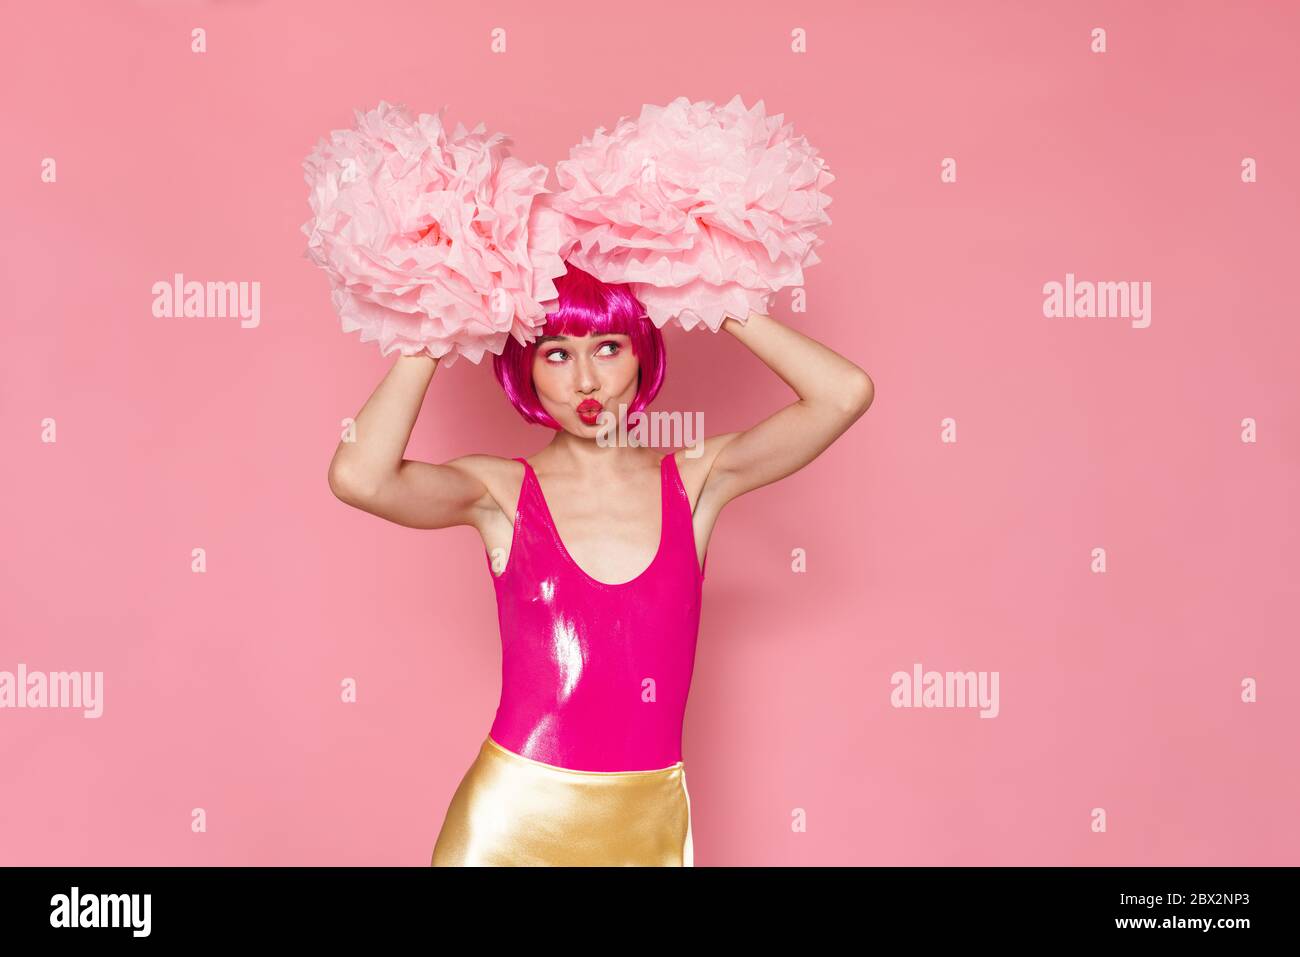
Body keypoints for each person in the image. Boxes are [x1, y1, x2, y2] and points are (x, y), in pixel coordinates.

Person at [326, 264, 874, 865]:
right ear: (525, 369)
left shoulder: (695, 480)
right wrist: (431, 327)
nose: (587, 381)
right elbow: (360, 477)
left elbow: (844, 393)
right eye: (556, 354)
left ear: (641, 353)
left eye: (608, 347)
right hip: (514, 821)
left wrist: (718, 296)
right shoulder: (500, 492)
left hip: (646, 822)